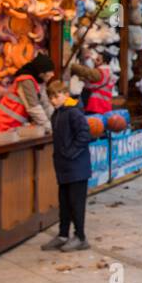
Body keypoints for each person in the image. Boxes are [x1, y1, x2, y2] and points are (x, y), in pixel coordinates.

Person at [42, 80, 92, 252]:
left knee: (76, 203)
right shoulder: (56, 114)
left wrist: (70, 153)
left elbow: (84, 135)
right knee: (64, 203)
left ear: (65, 94)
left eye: (57, 96)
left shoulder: (74, 112)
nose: (54, 100)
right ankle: (63, 234)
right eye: (51, 97)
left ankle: (81, 237)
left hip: (76, 167)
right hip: (63, 167)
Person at [0, 53, 56, 133]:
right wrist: (51, 128)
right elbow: (34, 107)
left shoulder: (39, 81)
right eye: (50, 71)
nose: (53, 74)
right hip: (4, 126)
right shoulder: (26, 81)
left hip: (14, 126)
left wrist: (56, 123)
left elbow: (45, 104)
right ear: (42, 72)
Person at [80, 49, 117, 115]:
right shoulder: (108, 72)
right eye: (96, 59)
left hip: (97, 105)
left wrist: (81, 79)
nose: (95, 61)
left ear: (105, 63)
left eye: (98, 60)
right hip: (103, 105)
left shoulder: (102, 72)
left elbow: (89, 85)